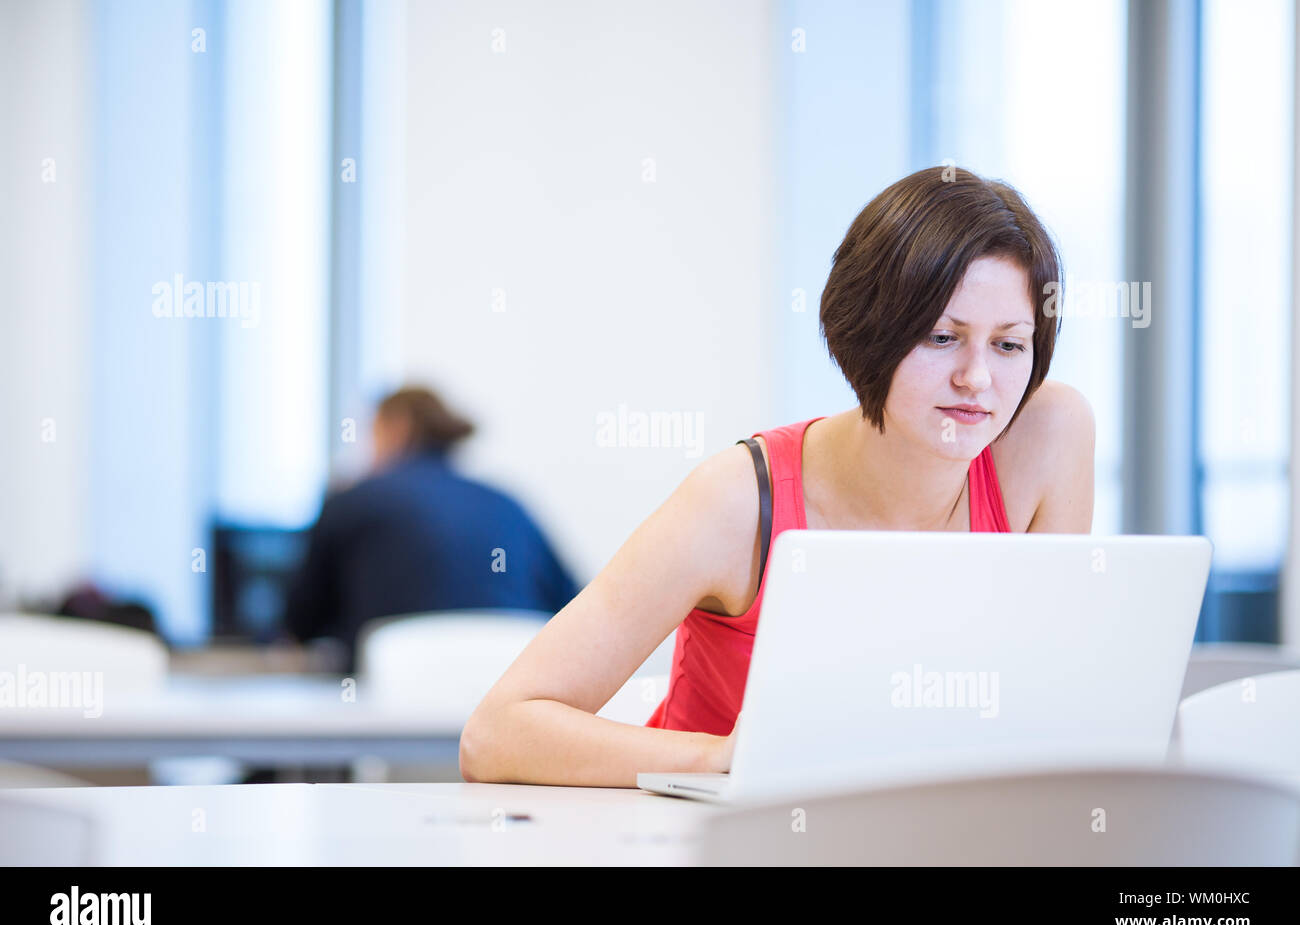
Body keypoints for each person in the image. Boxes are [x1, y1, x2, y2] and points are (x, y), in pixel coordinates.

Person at [459, 165, 1097, 788]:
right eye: (940, 337)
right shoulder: (737, 501)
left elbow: (1043, 696)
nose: (978, 379)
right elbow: (496, 735)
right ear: (870, 331)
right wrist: (731, 758)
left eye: (1009, 345)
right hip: (718, 837)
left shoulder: (1047, 435)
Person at [282, 386, 580, 673]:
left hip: (393, 697)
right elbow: (571, 605)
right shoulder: (507, 503)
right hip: (509, 688)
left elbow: (301, 622)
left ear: (396, 429)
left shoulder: (352, 500)